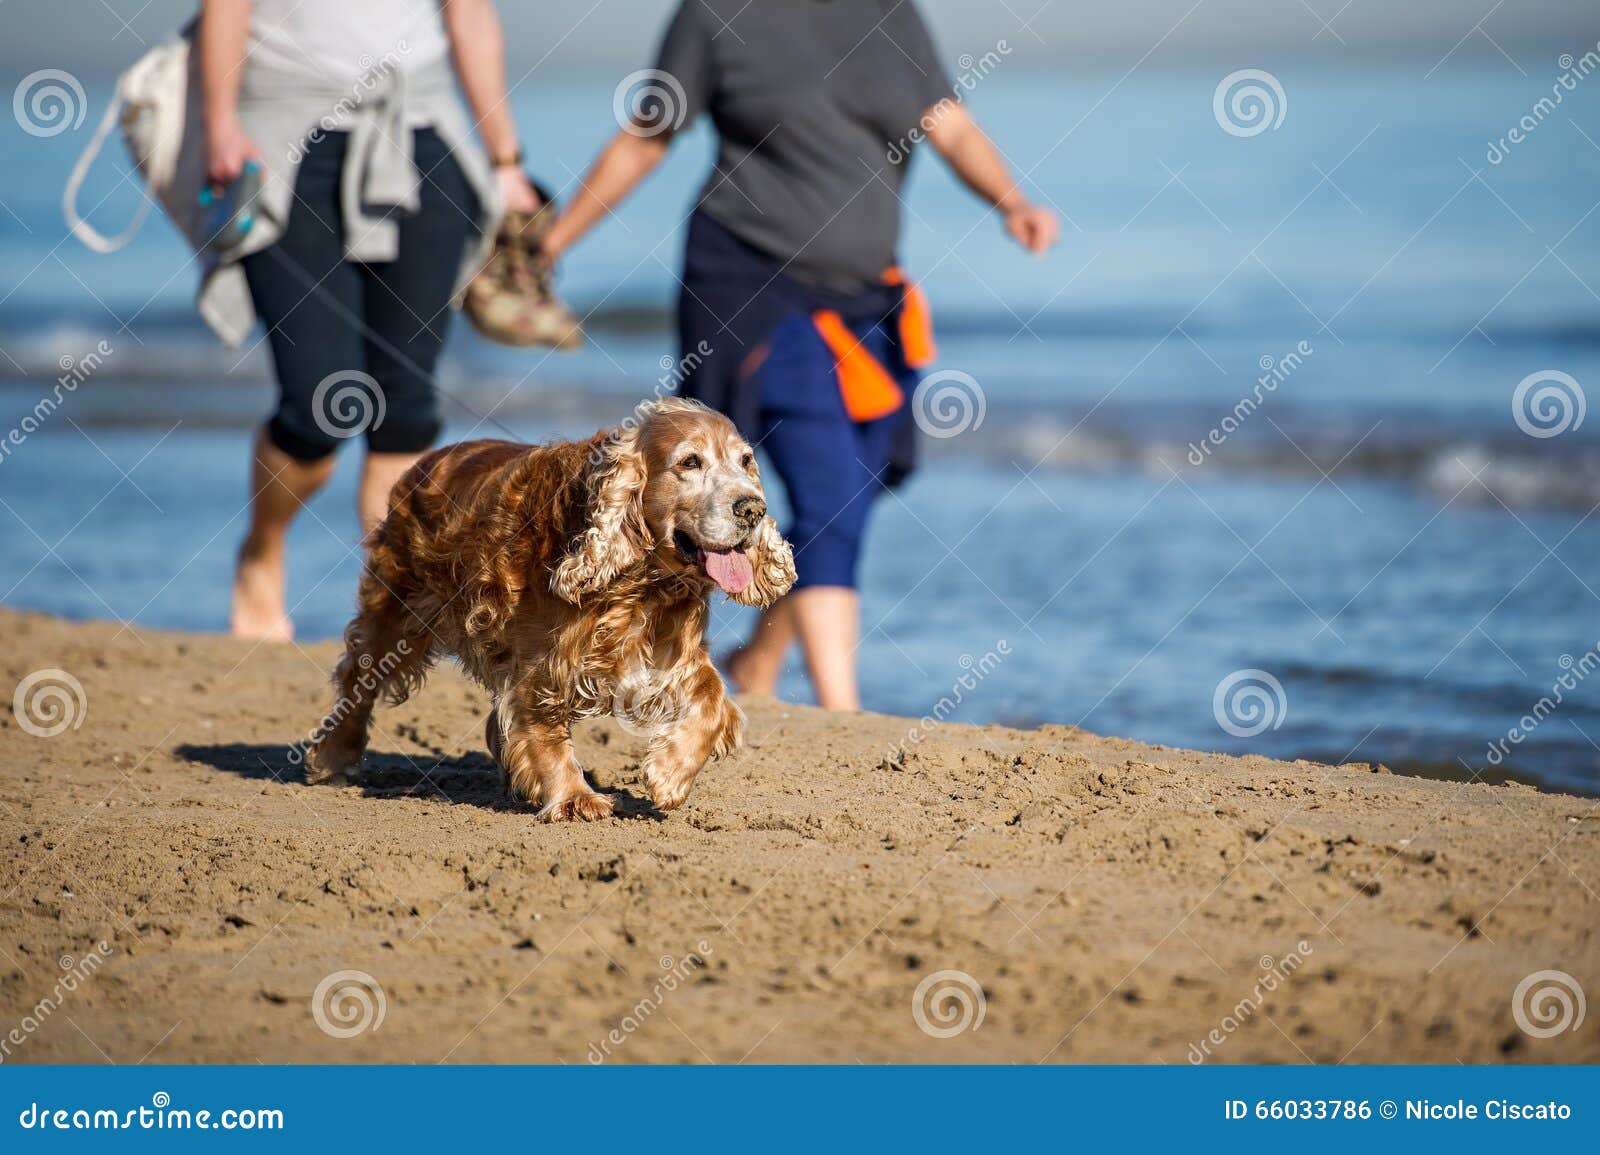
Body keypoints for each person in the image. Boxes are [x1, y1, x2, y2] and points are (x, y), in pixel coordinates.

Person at [542, 0, 1058, 709]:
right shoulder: (715, 15)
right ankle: (842, 713)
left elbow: (951, 123)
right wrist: (552, 242)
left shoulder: (893, 14)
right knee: (831, 494)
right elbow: (645, 138)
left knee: (870, 474)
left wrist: (1011, 201)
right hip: (754, 289)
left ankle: (757, 659)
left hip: (866, 300)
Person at [199, 0, 540, 641]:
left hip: (421, 137)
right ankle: (262, 549)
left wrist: (505, 162)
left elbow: (470, 17)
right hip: (286, 139)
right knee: (313, 407)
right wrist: (220, 125)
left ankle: (390, 603)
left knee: (405, 409)